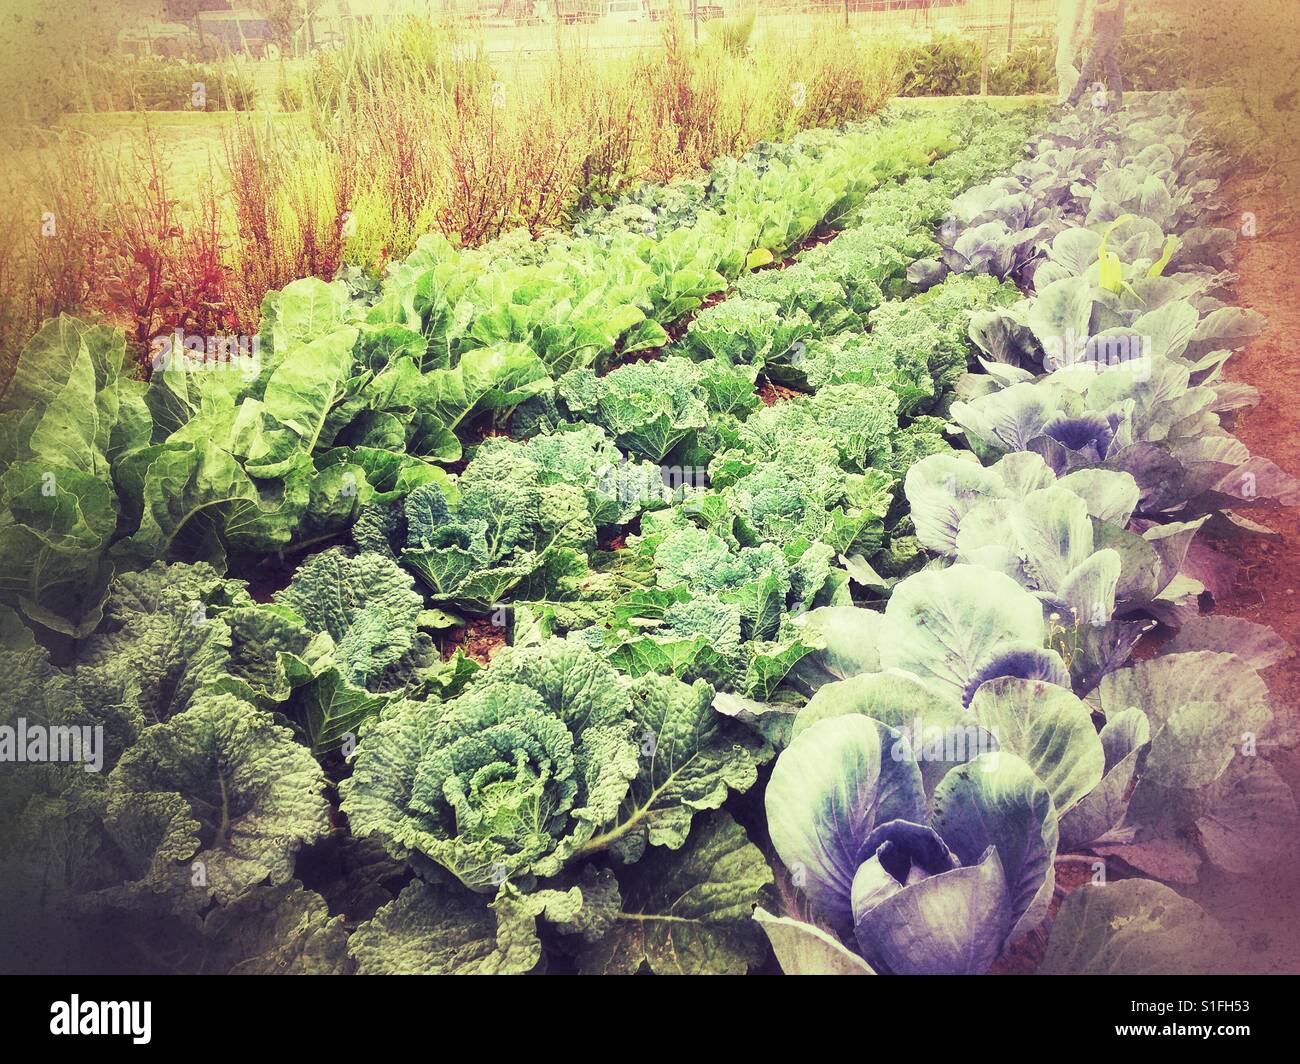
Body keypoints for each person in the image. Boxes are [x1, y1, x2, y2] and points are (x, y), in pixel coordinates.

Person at [1067, 0, 1127, 110]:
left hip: (1108, 30)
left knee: (1089, 64)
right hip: (1108, 30)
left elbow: (1113, 5)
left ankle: (1071, 102)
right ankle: (1117, 104)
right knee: (1111, 67)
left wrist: (1094, 8)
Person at [1055, 0, 1095, 103]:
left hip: (1073, 29)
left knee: (1062, 64)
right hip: (1066, 27)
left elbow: (1081, 4)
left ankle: (1086, 93)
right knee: (1063, 68)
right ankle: (1063, 100)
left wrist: (1074, 29)